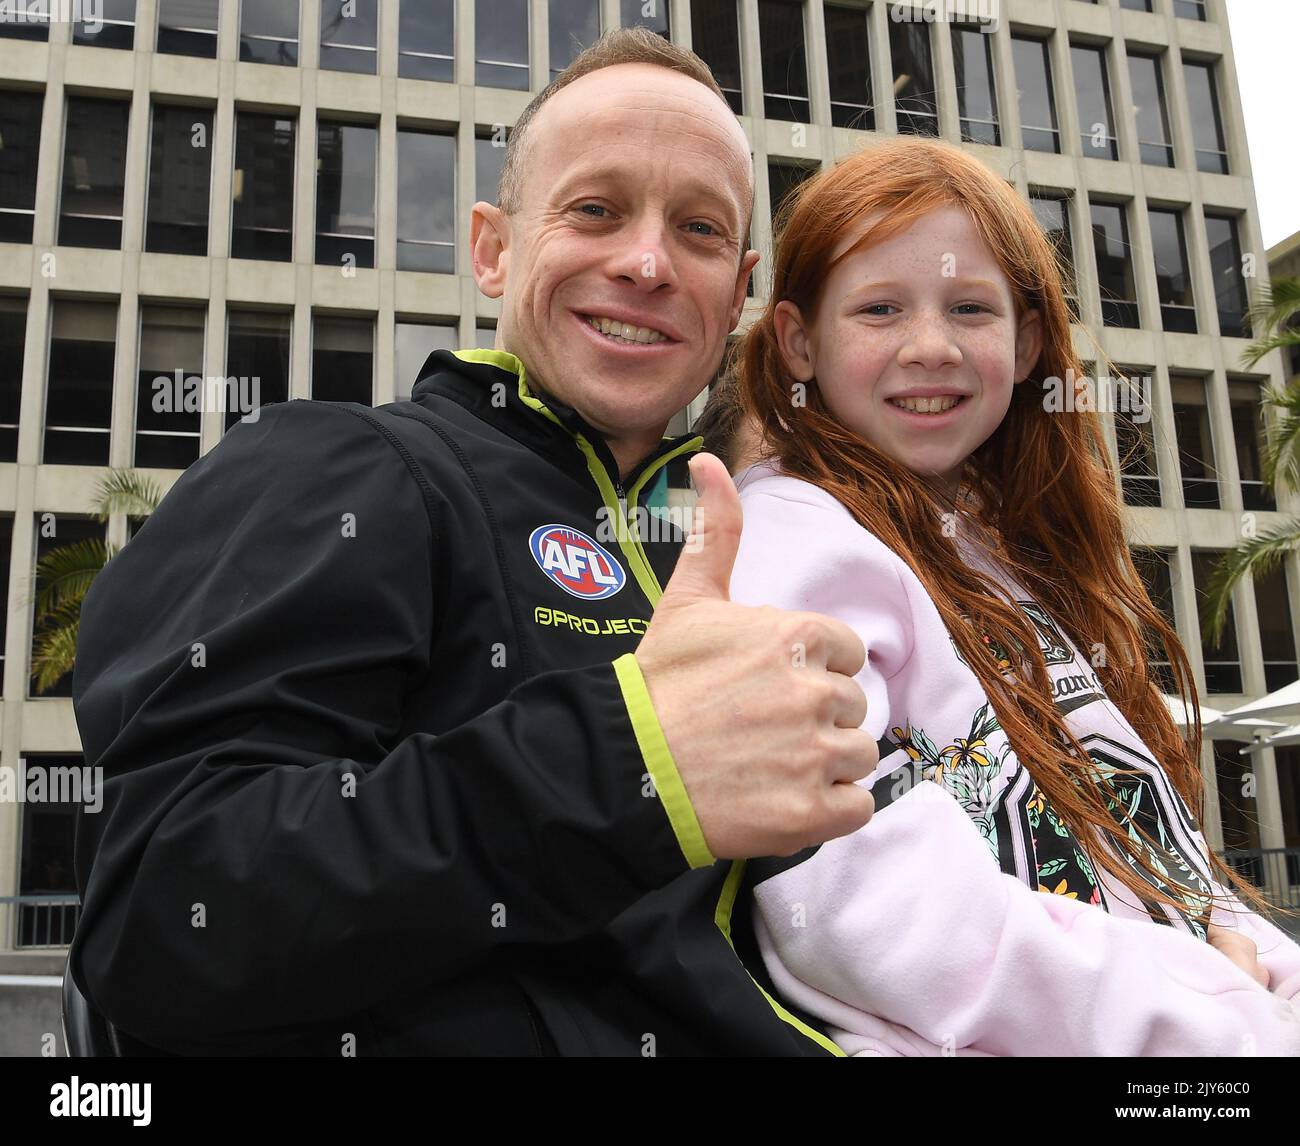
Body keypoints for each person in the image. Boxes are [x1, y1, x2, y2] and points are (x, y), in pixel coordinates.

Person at [67, 29, 877, 1056]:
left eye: (700, 230)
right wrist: (631, 763)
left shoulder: (754, 544)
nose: (645, 261)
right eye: (595, 209)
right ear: (494, 247)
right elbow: (165, 906)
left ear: (739, 287)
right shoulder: (349, 465)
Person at [725, 137, 1300, 1056]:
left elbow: (1170, 862)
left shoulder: (1014, 555)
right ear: (799, 340)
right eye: (879, 308)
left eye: (970, 308)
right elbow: (854, 903)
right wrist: (1215, 1022)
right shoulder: (794, 533)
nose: (930, 345)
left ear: (1028, 343)